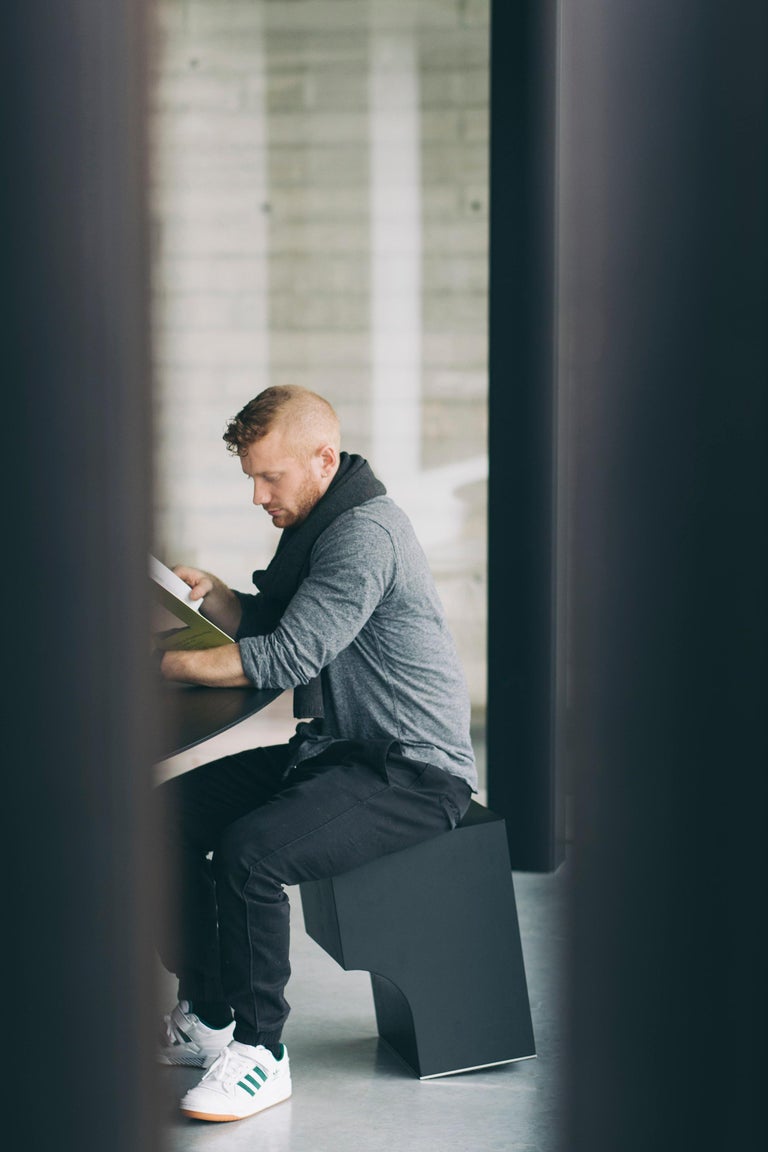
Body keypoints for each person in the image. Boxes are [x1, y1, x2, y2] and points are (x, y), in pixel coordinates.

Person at [155, 385, 477, 1123]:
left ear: (324, 459)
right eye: (252, 478)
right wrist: (223, 601)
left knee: (251, 855)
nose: (260, 495)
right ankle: (208, 1016)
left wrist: (168, 663)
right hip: (334, 750)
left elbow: (291, 655)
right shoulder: (322, 521)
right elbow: (284, 619)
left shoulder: (364, 534)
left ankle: (262, 1054)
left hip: (411, 770)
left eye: (272, 477)